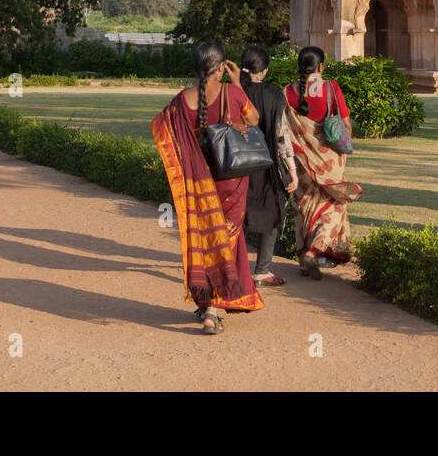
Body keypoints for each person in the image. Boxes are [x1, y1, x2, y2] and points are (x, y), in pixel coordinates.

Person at [151, 42, 264, 334]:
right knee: (226, 240)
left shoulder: (181, 101)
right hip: (230, 182)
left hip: (198, 186)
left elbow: (162, 129)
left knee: (203, 241)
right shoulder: (234, 92)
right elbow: (254, 121)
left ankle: (205, 301)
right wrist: (238, 84)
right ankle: (213, 309)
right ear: (221, 65)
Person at [283, 46, 361, 279]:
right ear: (321, 67)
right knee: (333, 206)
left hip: (300, 163)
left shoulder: (287, 92)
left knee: (305, 207)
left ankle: (305, 259)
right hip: (330, 162)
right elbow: (345, 126)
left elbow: (283, 129)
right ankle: (316, 250)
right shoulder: (330, 88)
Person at [239, 45, 299, 287]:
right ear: (264, 71)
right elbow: (281, 135)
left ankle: (233, 267)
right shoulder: (274, 94)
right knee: (272, 213)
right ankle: (261, 270)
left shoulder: (233, 91)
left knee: (235, 216)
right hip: (266, 165)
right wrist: (292, 170)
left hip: (235, 165)